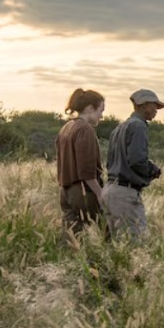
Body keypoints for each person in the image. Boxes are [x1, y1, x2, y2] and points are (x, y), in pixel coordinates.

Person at [104, 88, 164, 240]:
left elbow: (110, 162)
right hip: (125, 194)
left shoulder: (119, 127)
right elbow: (137, 160)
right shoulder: (138, 126)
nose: (156, 110)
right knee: (134, 246)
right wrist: (153, 170)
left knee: (116, 247)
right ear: (143, 105)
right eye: (154, 106)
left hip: (110, 191)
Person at [55, 88, 106, 237]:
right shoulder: (85, 129)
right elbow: (86, 170)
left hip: (65, 191)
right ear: (90, 108)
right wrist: (100, 194)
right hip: (83, 191)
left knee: (72, 237)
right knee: (104, 232)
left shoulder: (66, 128)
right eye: (100, 111)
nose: (101, 116)